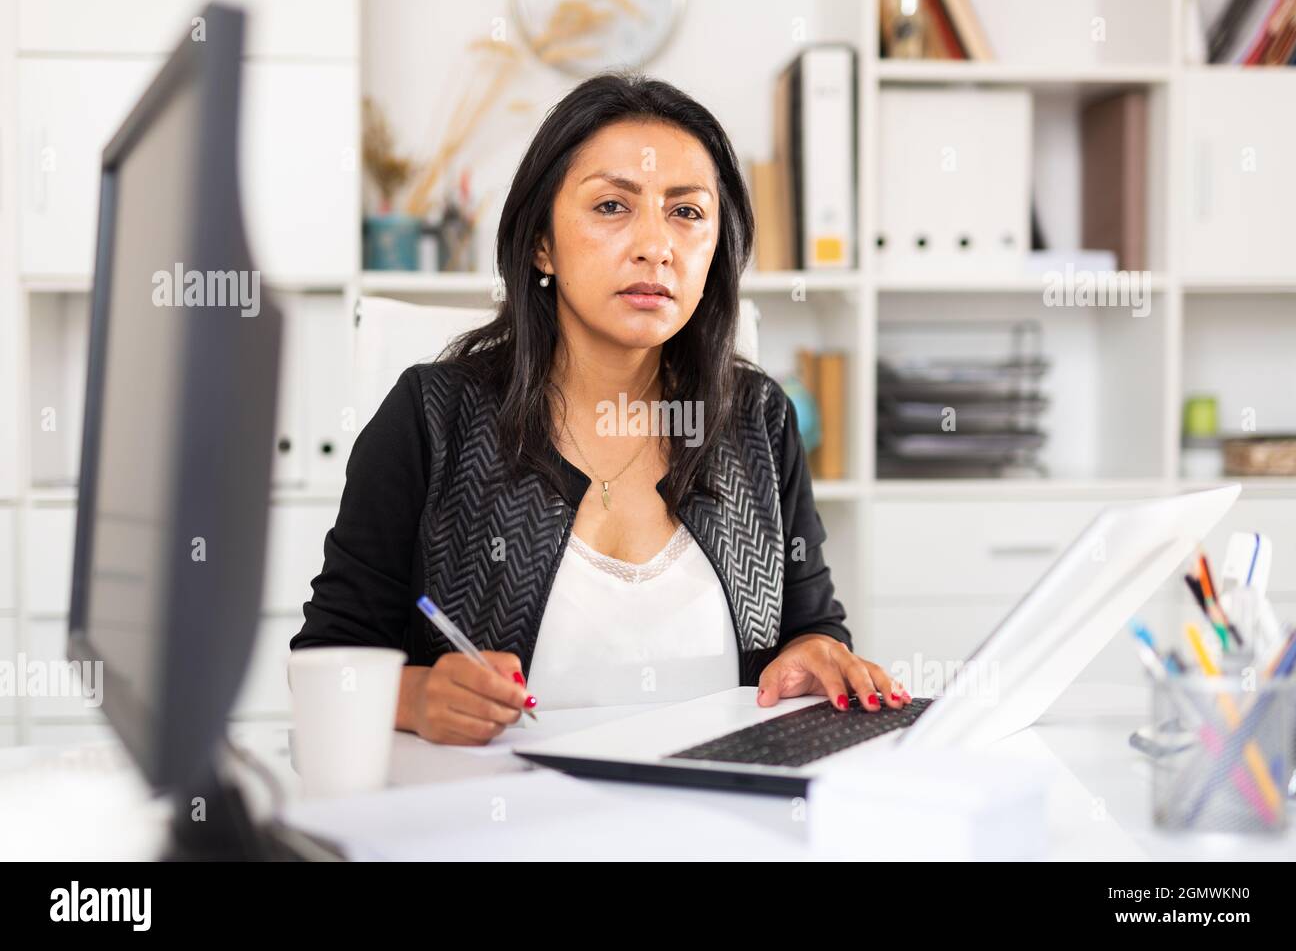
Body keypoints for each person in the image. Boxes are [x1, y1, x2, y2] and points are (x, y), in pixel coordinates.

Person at [291, 73, 910, 745]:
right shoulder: (432, 418)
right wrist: (413, 696)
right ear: (542, 243)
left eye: (688, 212)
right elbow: (324, 664)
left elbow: (812, 626)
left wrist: (814, 654)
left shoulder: (757, 420)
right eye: (613, 206)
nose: (655, 245)